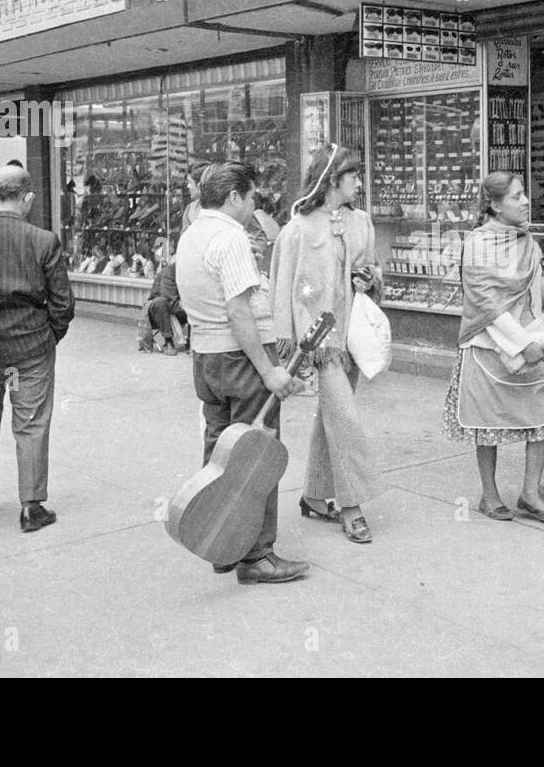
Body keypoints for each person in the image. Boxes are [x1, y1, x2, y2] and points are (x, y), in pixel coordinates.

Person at [176, 161, 309, 584]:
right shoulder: (229, 236)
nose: (254, 206)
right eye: (252, 197)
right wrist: (268, 370)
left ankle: (220, 541)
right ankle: (257, 554)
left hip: (206, 357)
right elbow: (239, 310)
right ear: (234, 197)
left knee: (218, 452)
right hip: (239, 358)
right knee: (256, 453)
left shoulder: (193, 231)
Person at [272, 145, 385, 545]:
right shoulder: (298, 228)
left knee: (332, 416)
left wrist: (367, 279)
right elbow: (284, 285)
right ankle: (351, 506)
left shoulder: (362, 223)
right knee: (345, 417)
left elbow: (371, 269)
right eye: (353, 176)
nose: (359, 182)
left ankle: (315, 496)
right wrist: (289, 340)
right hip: (317, 339)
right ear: (333, 180)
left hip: (351, 335)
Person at [444, 171, 544, 525]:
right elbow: (485, 302)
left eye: (524, 194)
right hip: (486, 344)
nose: (526, 201)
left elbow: (534, 298)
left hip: (529, 340)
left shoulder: (529, 242)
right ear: (496, 206)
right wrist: (521, 343)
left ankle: (531, 493)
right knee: (487, 424)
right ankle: (490, 495)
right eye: (516, 196)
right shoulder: (478, 243)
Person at [0, 166, 75, 532]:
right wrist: (48, 335)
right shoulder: (43, 240)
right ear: (26, 199)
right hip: (30, 347)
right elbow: (63, 302)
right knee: (31, 423)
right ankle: (31, 506)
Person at [138, 257, 186, 354]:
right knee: (161, 301)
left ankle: (191, 343)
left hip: (174, 308)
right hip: (156, 311)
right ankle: (168, 342)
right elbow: (169, 299)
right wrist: (188, 315)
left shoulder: (187, 274)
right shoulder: (169, 272)